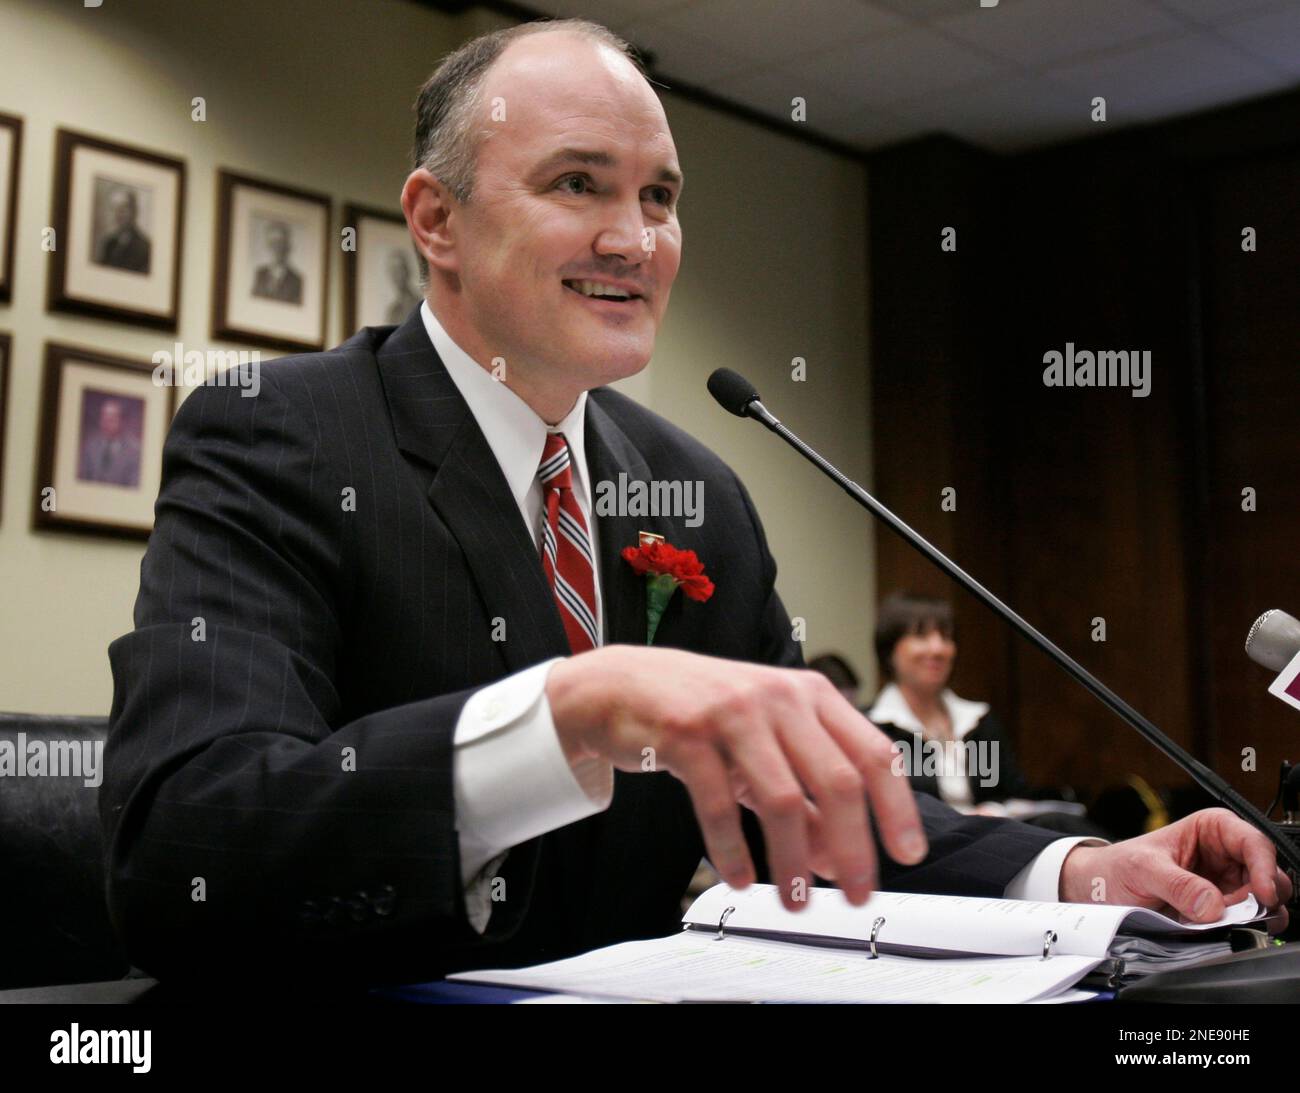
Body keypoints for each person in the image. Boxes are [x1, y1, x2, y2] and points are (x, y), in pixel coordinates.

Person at [101, 19, 1290, 988]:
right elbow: (183, 846)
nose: (635, 238)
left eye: (660, 196)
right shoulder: (278, 429)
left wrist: (1079, 870)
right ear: (435, 220)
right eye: (578, 184)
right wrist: (567, 708)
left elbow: (825, 809)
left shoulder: (700, 492)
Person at [866, 592, 1107, 837]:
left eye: (946, 637)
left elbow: (1013, 794)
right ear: (889, 649)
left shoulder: (976, 720)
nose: (938, 648)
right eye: (921, 636)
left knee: (1060, 825)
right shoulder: (872, 727)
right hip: (926, 849)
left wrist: (990, 810)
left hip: (990, 839)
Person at [94, 186, 151, 274]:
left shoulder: (145, 248)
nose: (118, 214)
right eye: (114, 208)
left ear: (134, 211)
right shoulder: (108, 243)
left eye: (123, 208)